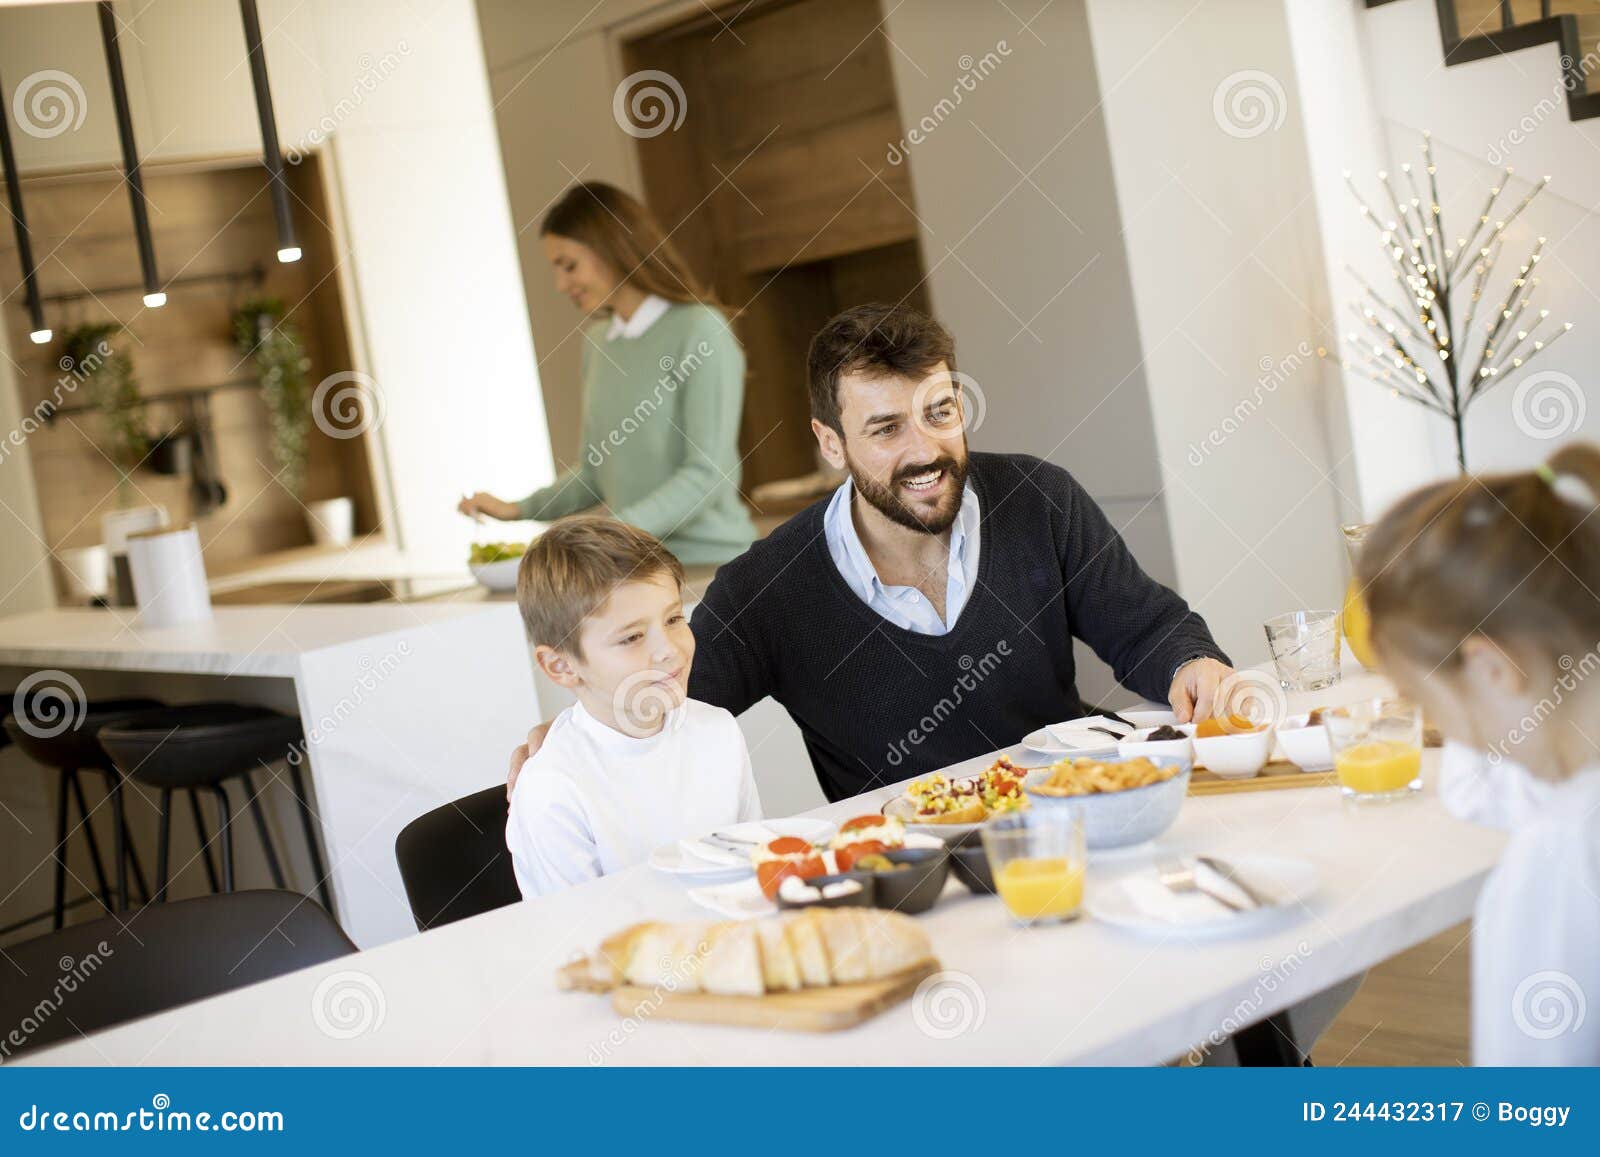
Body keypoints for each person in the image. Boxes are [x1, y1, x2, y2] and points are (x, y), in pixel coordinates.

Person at [511, 303, 1235, 803]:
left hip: (1080, 808)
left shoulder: (1038, 500)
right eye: (886, 428)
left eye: (940, 412)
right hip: (916, 876)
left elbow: (1146, 626)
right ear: (832, 443)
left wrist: (1190, 660)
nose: (926, 451)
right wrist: (574, 735)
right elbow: (668, 690)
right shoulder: (773, 586)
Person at [1356, 443, 1600, 1065]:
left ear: (1492, 667)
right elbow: (1494, 790)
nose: (1439, 728)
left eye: (1421, 700)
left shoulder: (1559, 856)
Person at [459, 181, 756, 565]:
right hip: (639, 566)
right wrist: (518, 509)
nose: (561, 284)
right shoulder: (599, 342)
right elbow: (595, 473)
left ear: (613, 248)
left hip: (711, 564)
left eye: (569, 265)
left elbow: (707, 475)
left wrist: (611, 533)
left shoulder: (701, 330)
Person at [505, 517, 761, 898]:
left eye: (674, 618)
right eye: (632, 637)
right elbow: (580, 939)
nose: (670, 649)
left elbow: (755, 869)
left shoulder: (717, 729)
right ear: (561, 666)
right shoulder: (553, 790)